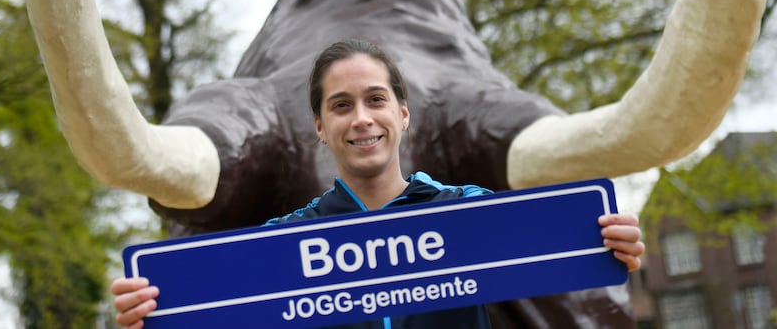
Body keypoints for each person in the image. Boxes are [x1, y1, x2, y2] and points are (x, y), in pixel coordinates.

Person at [110, 39, 646, 328]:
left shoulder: (477, 214)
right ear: (319, 127)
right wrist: (148, 315)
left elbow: (579, 244)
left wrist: (612, 240)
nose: (361, 119)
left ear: (403, 114)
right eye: (341, 106)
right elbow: (192, 308)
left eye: (376, 100)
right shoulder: (279, 243)